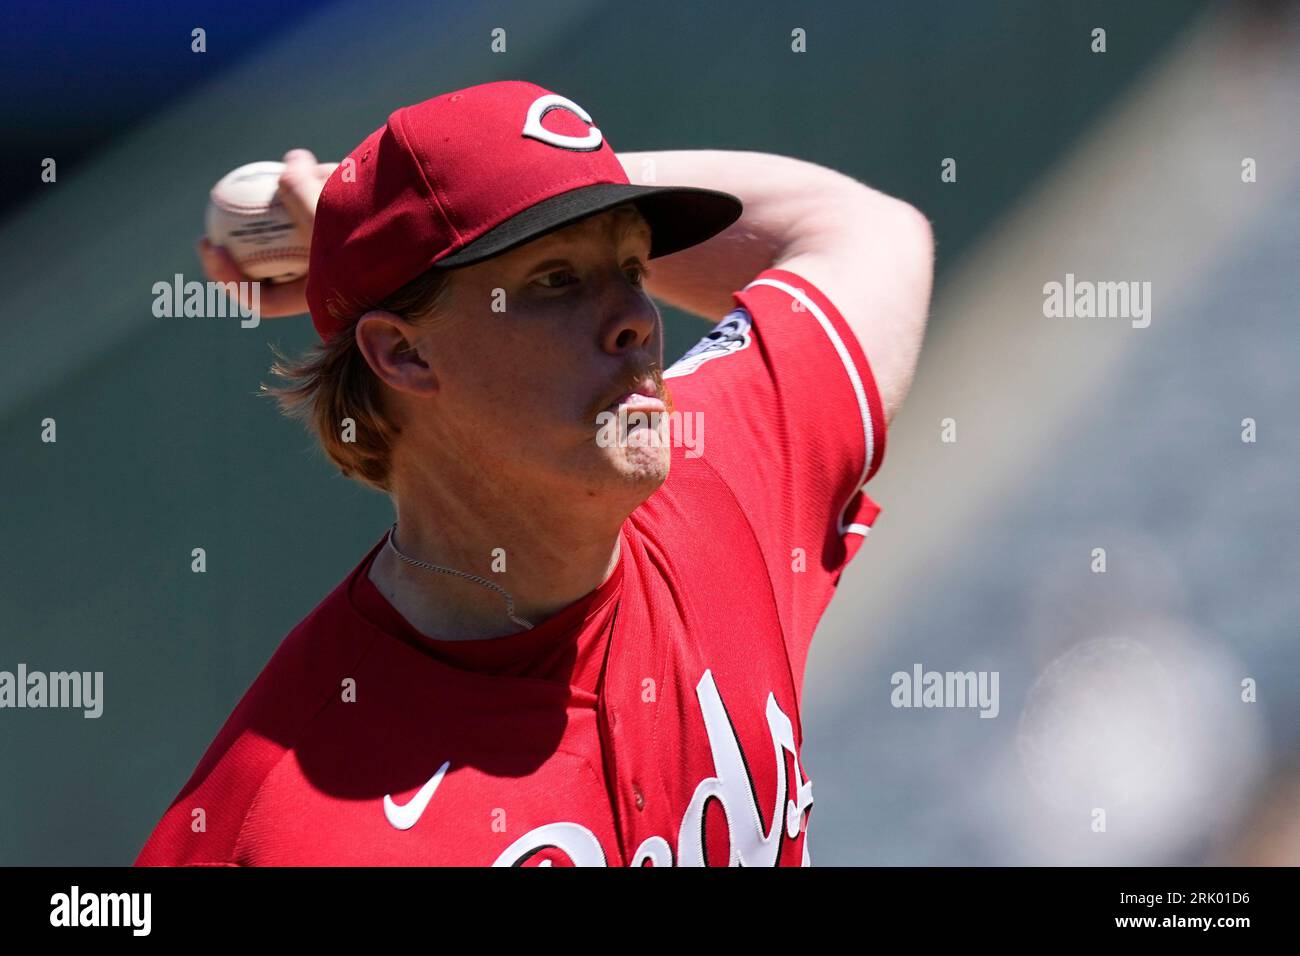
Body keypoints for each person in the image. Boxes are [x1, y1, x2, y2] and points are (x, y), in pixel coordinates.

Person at [135, 79, 932, 866]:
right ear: (403, 352)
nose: (637, 319)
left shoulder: (722, 476)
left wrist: (384, 211)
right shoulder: (275, 823)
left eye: (633, 265)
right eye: (556, 279)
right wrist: (377, 218)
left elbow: (863, 226)